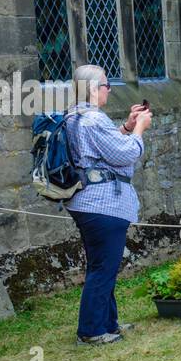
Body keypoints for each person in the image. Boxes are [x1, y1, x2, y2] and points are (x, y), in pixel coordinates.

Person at [65, 64, 151, 345]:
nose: (109, 90)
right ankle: (91, 331)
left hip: (87, 203)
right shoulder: (94, 119)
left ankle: (108, 323)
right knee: (103, 268)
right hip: (102, 205)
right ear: (92, 89)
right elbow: (126, 155)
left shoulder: (75, 116)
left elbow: (102, 150)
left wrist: (126, 126)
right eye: (105, 85)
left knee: (103, 265)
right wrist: (139, 129)